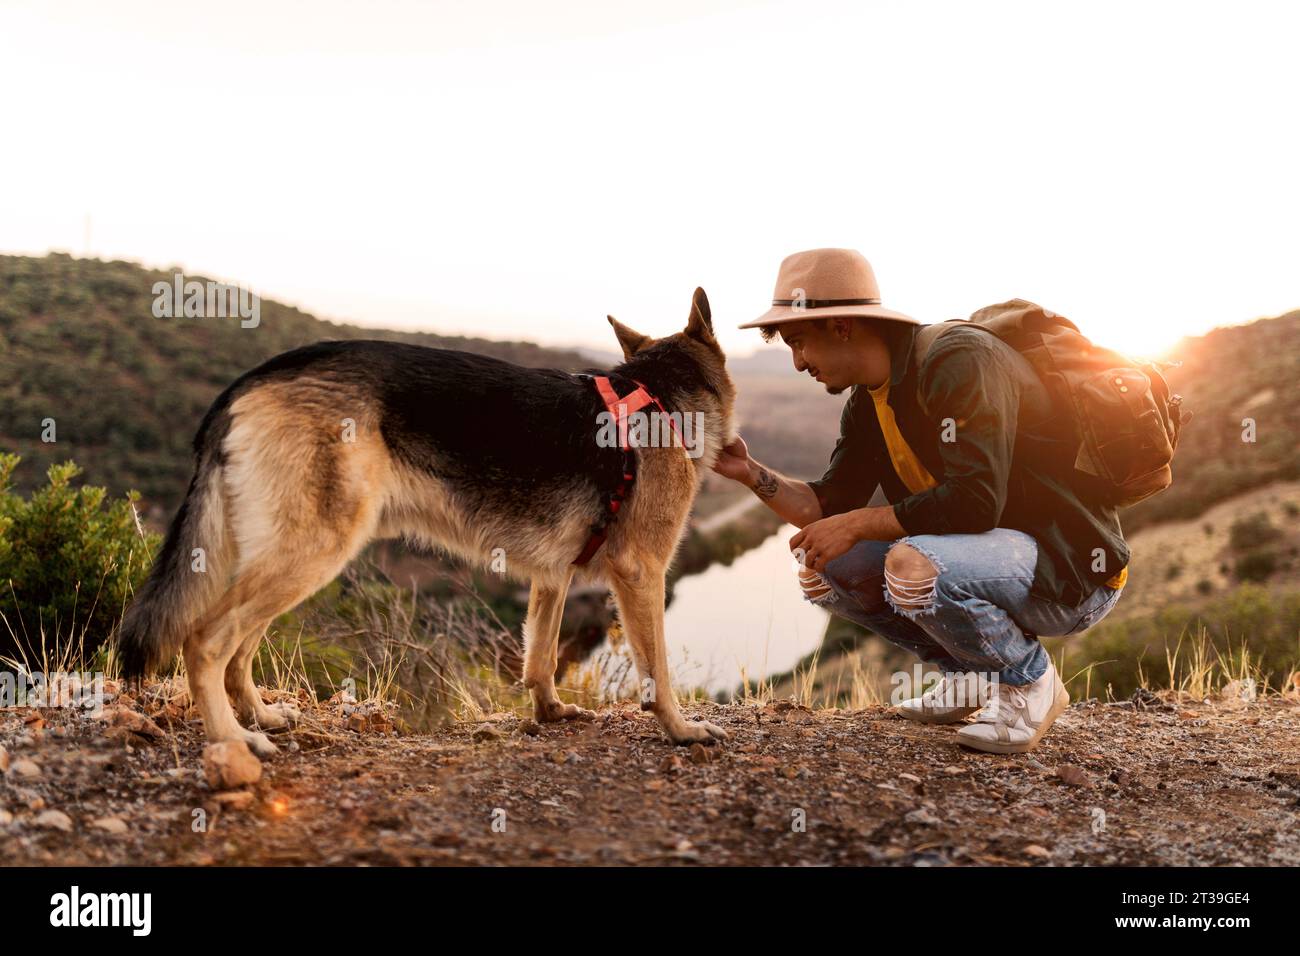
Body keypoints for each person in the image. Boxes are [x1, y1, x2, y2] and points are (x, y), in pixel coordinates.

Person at [714, 248, 1128, 754]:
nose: (799, 363)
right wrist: (747, 472)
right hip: (988, 563)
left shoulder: (958, 360)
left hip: (1070, 571)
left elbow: (976, 504)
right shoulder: (868, 399)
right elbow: (826, 510)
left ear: (842, 326)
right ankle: (969, 675)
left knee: (910, 564)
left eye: (800, 342)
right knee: (824, 564)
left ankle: (1028, 684)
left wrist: (863, 523)